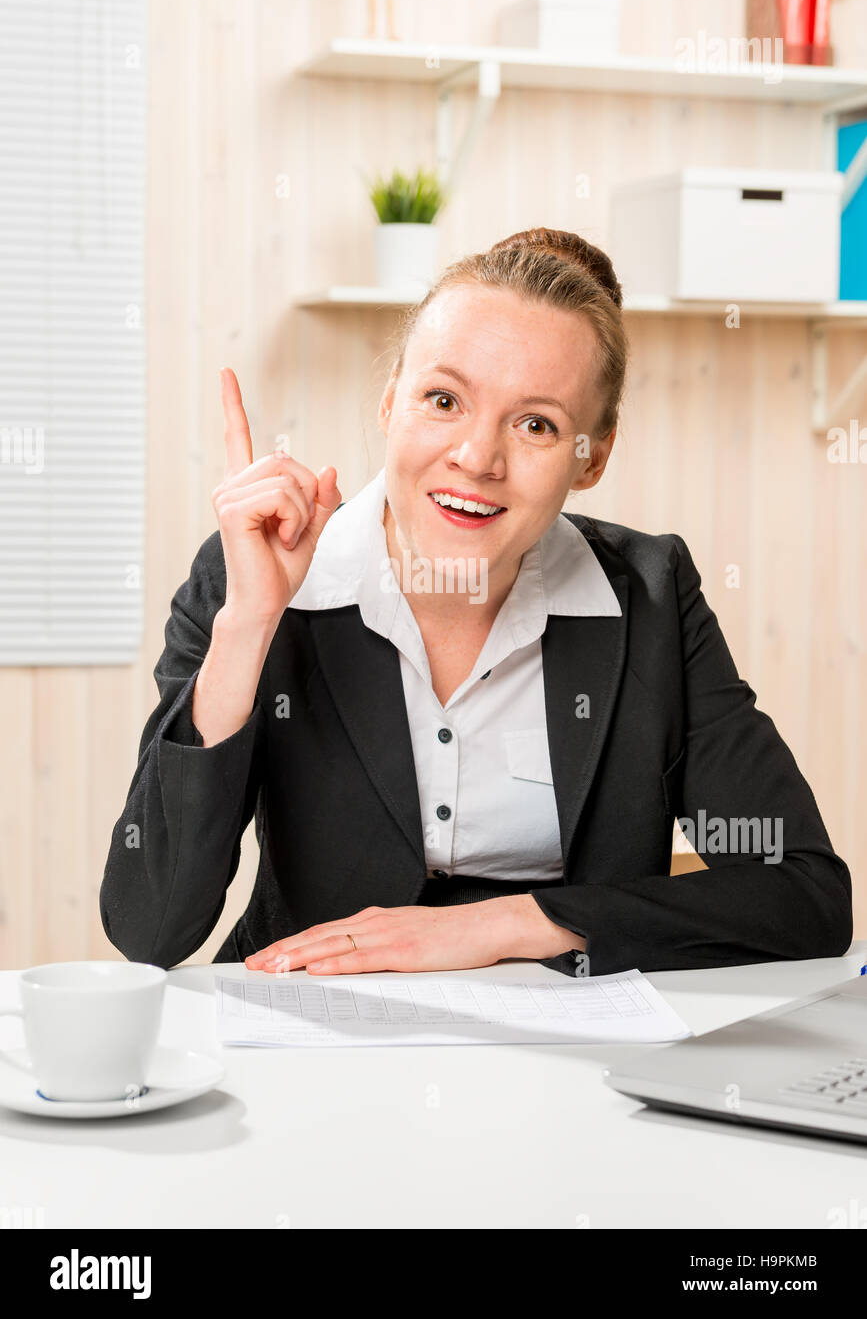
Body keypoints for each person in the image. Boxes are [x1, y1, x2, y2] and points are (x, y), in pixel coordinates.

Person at [99, 228, 853, 979]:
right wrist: (249, 624)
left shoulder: (650, 597)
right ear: (391, 399)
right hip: (306, 1032)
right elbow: (150, 927)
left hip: (567, 1051)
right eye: (443, 399)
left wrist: (509, 923)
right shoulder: (252, 575)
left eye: (536, 424)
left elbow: (802, 894)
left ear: (593, 456)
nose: (477, 458)